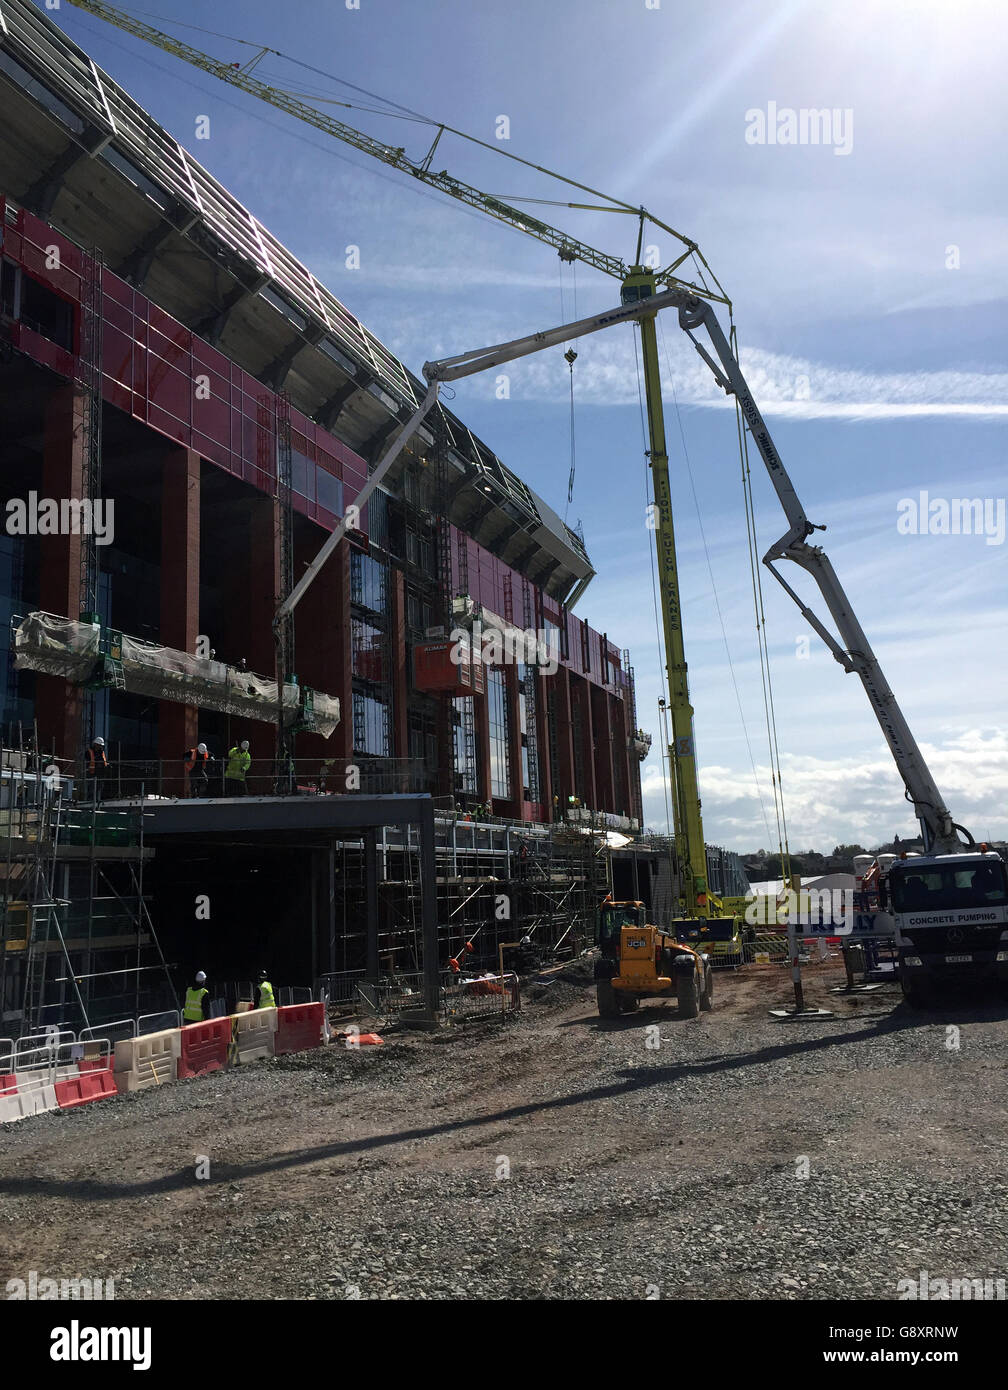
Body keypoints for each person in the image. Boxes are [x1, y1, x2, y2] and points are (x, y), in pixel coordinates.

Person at [86, 736, 107, 805]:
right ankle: (90, 802)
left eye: (101, 746)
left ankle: (98, 801)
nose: (100, 747)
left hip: (100, 774)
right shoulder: (89, 752)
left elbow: (104, 762)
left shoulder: (101, 752)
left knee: (99, 788)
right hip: (92, 773)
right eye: (99, 745)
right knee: (91, 789)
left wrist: (106, 765)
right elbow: (88, 761)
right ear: (95, 744)